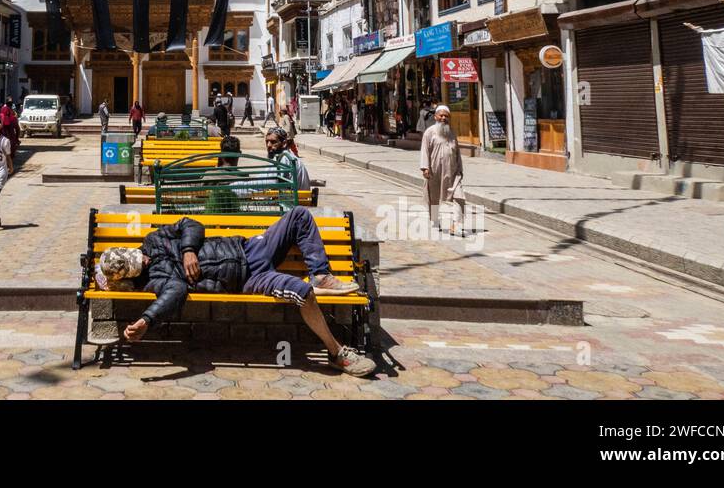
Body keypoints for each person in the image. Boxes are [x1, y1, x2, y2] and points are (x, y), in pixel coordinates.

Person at [97, 209, 375, 377]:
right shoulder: (154, 280)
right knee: (302, 292)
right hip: (249, 278)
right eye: (138, 266)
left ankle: (322, 275)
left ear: (130, 250)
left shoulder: (153, 240)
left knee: (299, 215)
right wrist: (148, 319)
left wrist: (188, 250)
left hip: (249, 248)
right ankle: (337, 353)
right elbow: (176, 290)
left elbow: (189, 224)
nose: (143, 260)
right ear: (132, 275)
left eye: (137, 257)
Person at [420, 104, 465, 235]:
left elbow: (457, 152)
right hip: (434, 171)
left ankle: (456, 225)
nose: (444, 118)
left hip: (452, 172)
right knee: (433, 198)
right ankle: (434, 220)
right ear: (436, 117)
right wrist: (425, 167)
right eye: (441, 115)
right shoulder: (429, 132)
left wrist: (460, 169)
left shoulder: (451, 133)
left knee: (459, 197)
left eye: (446, 116)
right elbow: (424, 150)